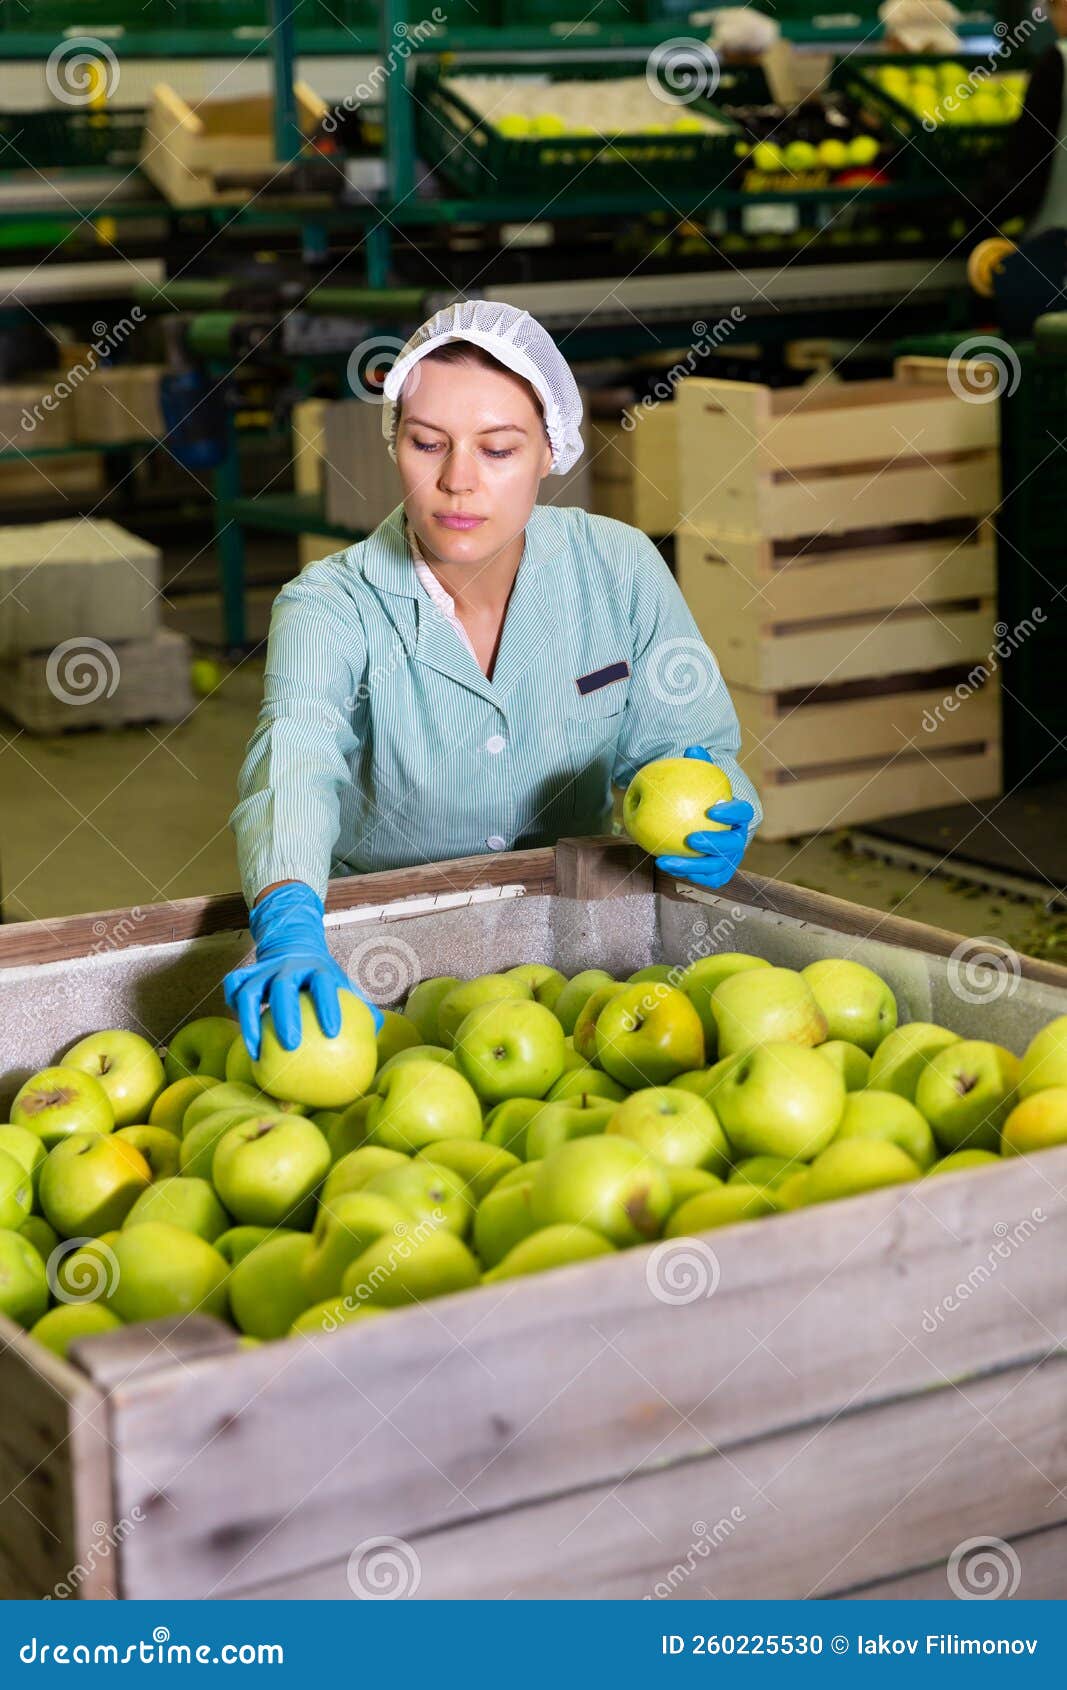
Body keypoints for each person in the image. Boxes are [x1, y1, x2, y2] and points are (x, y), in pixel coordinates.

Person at [224, 301, 762, 1058]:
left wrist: (722, 804)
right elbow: (295, 753)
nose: (457, 482)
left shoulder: (620, 568)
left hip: (578, 965)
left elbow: (688, 748)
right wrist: (287, 918)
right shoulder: (329, 604)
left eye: (499, 450)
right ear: (394, 444)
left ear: (551, 451)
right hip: (373, 967)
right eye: (426, 443)